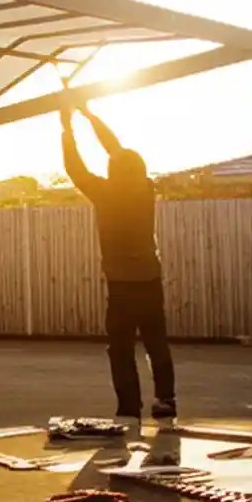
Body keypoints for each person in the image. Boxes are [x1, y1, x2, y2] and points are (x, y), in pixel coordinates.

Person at [59, 103, 176, 428]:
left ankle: (128, 409)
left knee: (121, 348)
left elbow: (75, 168)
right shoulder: (144, 189)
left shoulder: (104, 192)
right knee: (156, 341)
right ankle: (165, 401)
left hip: (121, 286)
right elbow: (117, 149)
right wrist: (91, 116)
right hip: (150, 279)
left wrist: (67, 129)